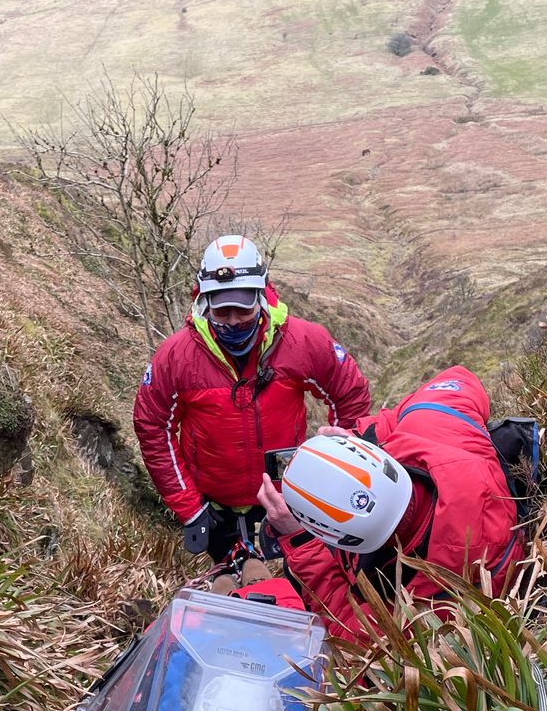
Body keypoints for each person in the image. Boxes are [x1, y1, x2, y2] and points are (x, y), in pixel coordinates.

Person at [134, 235, 371, 561]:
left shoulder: (303, 341)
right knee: (233, 590)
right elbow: (152, 426)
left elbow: (351, 396)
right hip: (213, 505)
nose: (233, 320)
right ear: (204, 301)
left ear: (261, 295)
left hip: (289, 498)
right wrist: (189, 507)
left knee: (297, 587)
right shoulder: (175, 357)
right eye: (222, 310)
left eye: (243, 308)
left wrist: (334, 476)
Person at [256, 365, 523, 642]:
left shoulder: (429, 608)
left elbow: (361, 643)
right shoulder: (433, 424)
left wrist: (299, 540)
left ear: (344, 543)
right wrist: (363, 441)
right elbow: (459, 380)